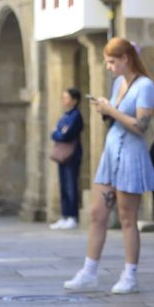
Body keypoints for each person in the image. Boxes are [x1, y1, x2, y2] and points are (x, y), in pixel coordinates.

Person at [62, 38, 154, 295]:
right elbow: (119, 118)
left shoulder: (145, 85)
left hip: (130, 155)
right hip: (112, 153)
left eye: (111, 61)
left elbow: (140, 125)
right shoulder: (119, 83)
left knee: (128, 218)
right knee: (97, 214)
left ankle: (130, 275)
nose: (108, 67)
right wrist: (106, 110)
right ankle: (89, 271)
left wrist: (111, 110)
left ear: (126, 59)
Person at [49, 88, 85, 229]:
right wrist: (59, 133)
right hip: (62, 155)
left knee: (71, 186)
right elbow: (55, 132)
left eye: (66, 97)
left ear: (74, 100)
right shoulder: (65, 116)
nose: (64, 100)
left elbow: (65, 134)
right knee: (63, 186)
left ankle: (73, 216)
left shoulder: (76, 116)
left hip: (72, 154)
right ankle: (65, 215)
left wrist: (59, 133)